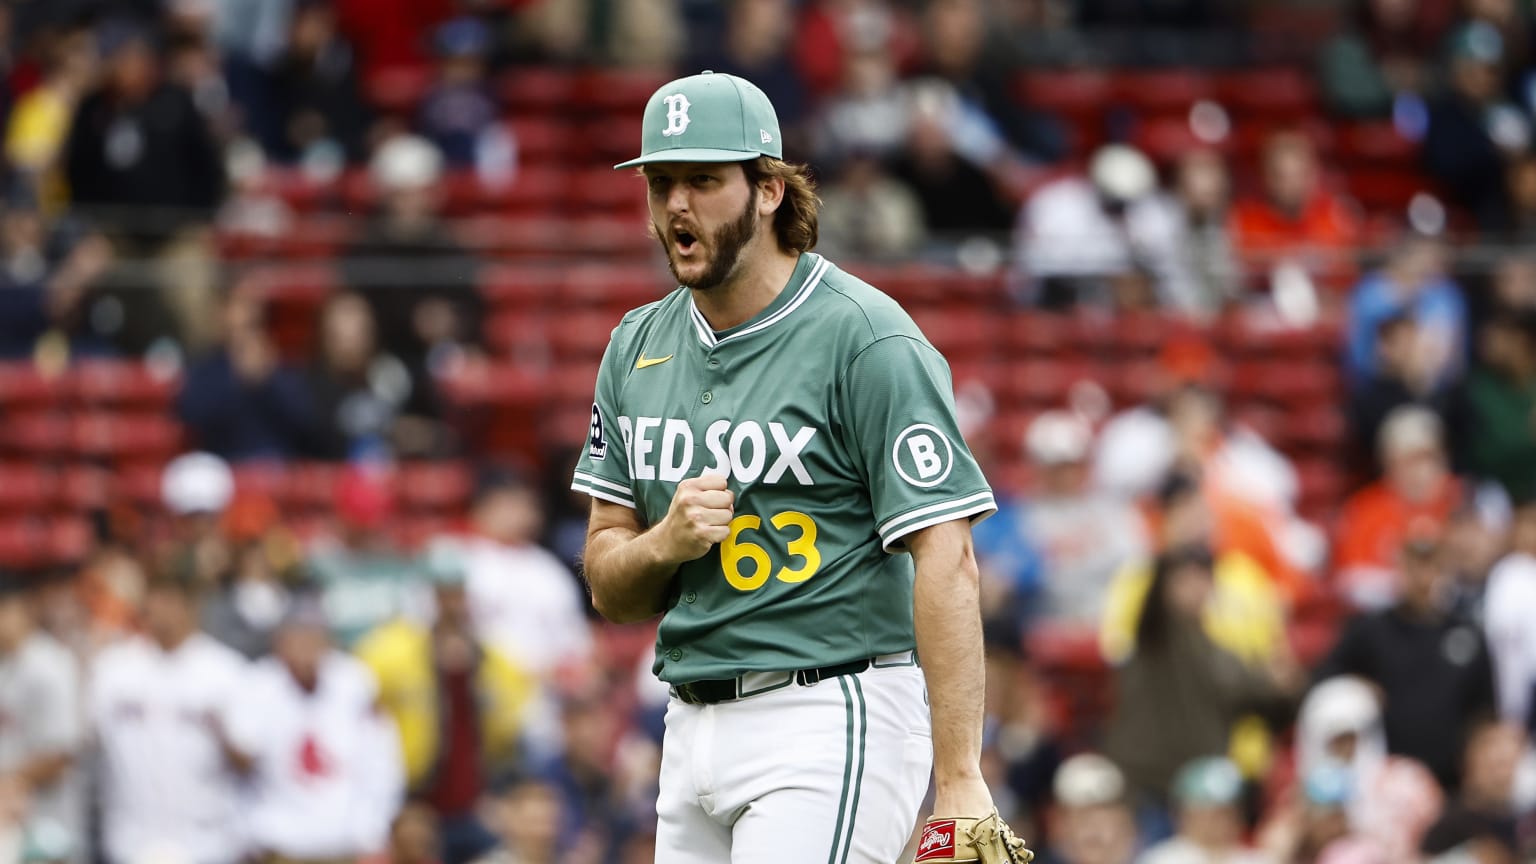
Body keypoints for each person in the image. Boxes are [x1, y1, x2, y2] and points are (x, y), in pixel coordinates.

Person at [569, 71, 1023, 861]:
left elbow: (946, 555)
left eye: (704, 181)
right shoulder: (635, 345)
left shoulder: (865, 337)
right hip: (689, 719)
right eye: (662, 183)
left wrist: (959, 778)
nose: (677, 205)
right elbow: (610, 584)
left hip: (828, 709)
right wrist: (664, 544)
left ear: (770, 190)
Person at [356, 553, 536, 864]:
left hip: (474, 804)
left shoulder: (491, 657)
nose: (451, 605)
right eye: (443, 595)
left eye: (457, 595)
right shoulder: (388, 653)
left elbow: (512, 727)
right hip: (417, 803)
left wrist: (499, 795)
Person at [89, 570, 252, 864]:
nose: (160, 608)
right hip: (131, 837)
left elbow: (247, 758)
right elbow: (93, 744)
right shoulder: (114, 668)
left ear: (191, 605)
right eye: (154, 598)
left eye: (170, 599)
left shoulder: (227, 671)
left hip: (207, 839)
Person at [1314, 530, 1498, 791]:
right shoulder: (1371, 629)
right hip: (1381, 779)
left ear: (1446, 570)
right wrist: (1356, 685)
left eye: (1432, 566)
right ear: (1400, 568)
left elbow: (1485, 712)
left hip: (1450, 781)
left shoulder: (1467, 635)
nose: (1423, 577)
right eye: (1414, 566)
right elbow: (1324, 675)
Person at [228, 600, 403, 864]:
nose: (305, 649)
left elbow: (381, 761)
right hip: (281, 845)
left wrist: (374, 828)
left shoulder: (353, 680)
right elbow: (242, 758)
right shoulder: (258, 685)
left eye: (312, 638)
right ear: (279, 643)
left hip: (345, 843)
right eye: (296, 638)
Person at [1333, 406, 1463, 609]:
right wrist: (1407, 586)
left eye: (1429, 458)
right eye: (1411, 461)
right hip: (1388, 617)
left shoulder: (1464, 499)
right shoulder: (1365, 509)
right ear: (1389, 463)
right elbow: (1350, 581)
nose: (1421, 470)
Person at [0, 581, 84, 864]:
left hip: (47, 822)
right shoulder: (6, 662)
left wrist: (7, 780)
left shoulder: (49, 664)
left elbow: (60, 755)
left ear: (22, 610)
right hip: (9, 825)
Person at [1137, 757, 1264, 864]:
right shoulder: (1160, 859)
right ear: (1183, 815)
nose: (1217, 823)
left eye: (1225, 813)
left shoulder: (1257, 859)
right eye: (1206, 814)